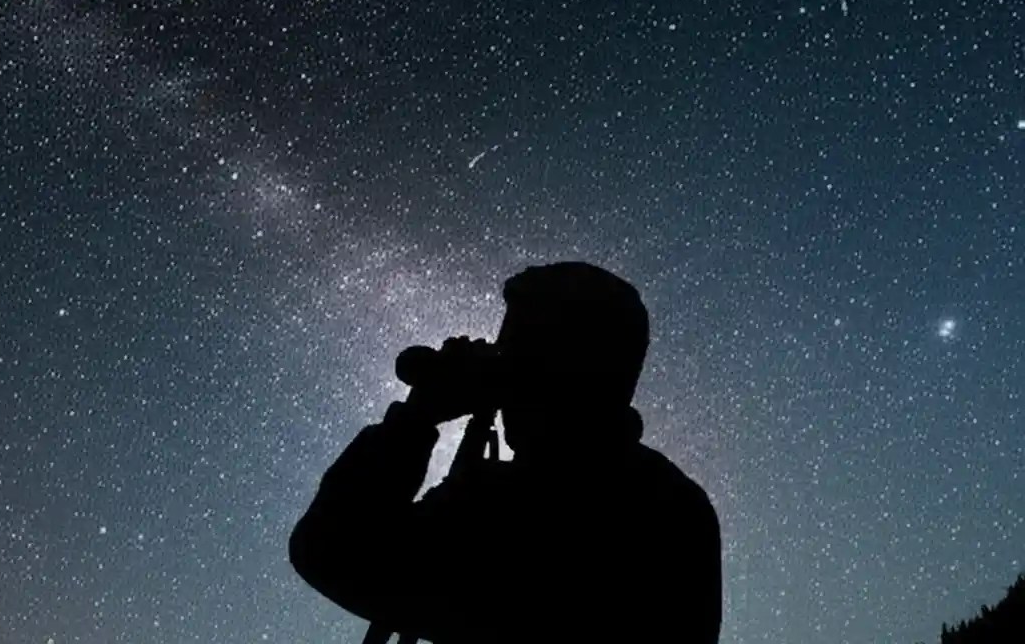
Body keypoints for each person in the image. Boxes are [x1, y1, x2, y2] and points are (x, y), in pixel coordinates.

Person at [288, 261, 722, 643]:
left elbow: (330, 548)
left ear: (564, 365)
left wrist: (418, 417)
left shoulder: (507, 505)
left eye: (516, 346)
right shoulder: (674, 502)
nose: (502, 360)